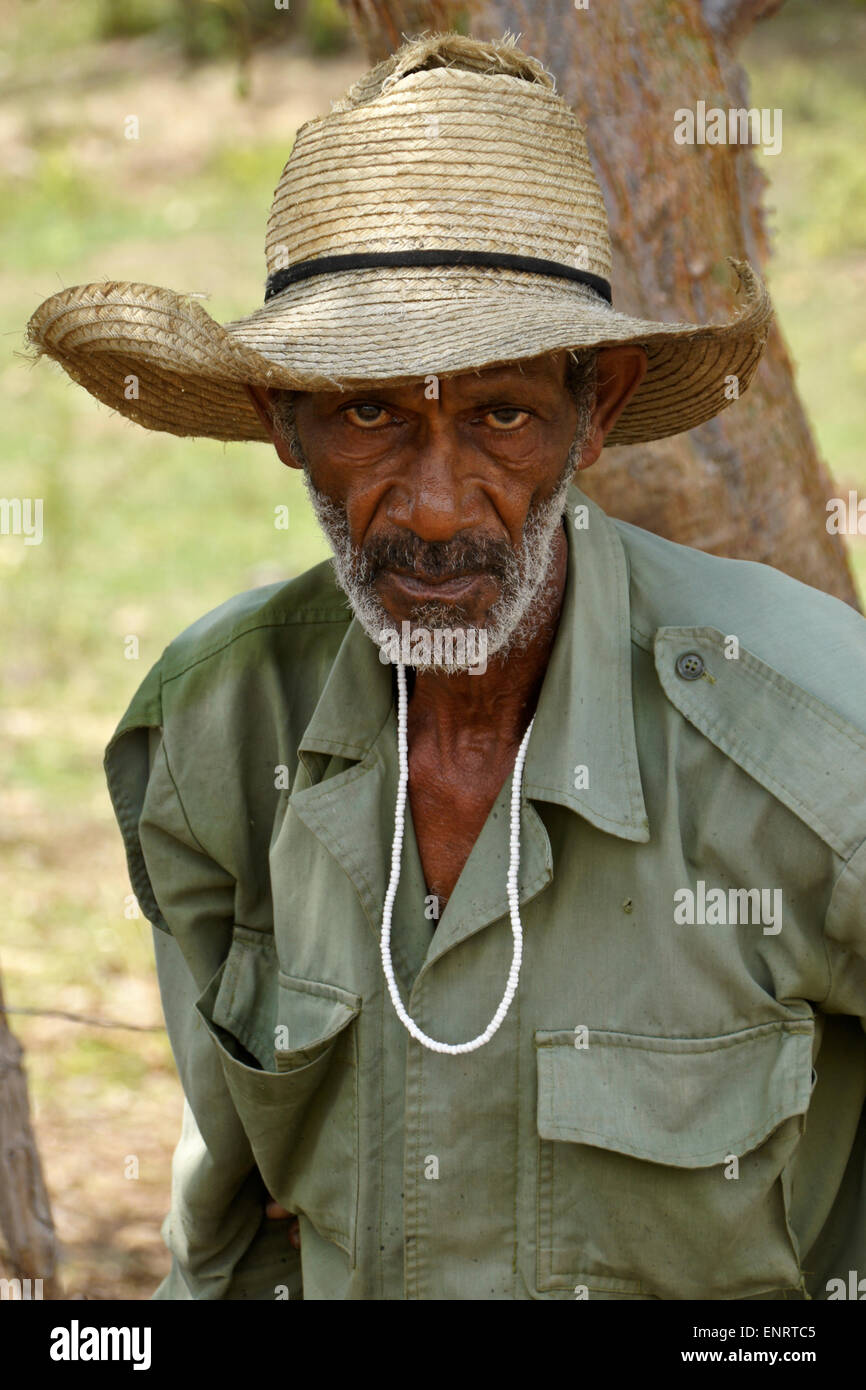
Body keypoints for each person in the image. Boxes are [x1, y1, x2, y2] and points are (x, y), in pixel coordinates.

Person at [27, 31, 866, 1301]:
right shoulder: (212, 731)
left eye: (500, 414)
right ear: (283, 424)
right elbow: (236, 1232)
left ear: (596, 406)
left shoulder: (821, 743)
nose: (430, 508)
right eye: (369, 412)